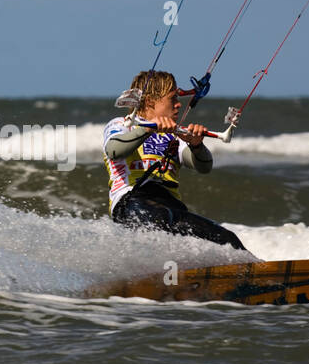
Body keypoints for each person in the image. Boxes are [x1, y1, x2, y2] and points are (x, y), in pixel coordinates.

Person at [102, 70, 246, 250]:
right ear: (149, 102)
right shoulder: (123, 124)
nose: (178, 105)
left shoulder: (175, 136)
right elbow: (114, 150)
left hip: (172, 206)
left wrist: (196, 144)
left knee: (227, 239)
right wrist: (149, 129)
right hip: (132, 202)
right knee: (161, 220)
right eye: (172, 99)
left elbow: (204, 167)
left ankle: (258, 273)